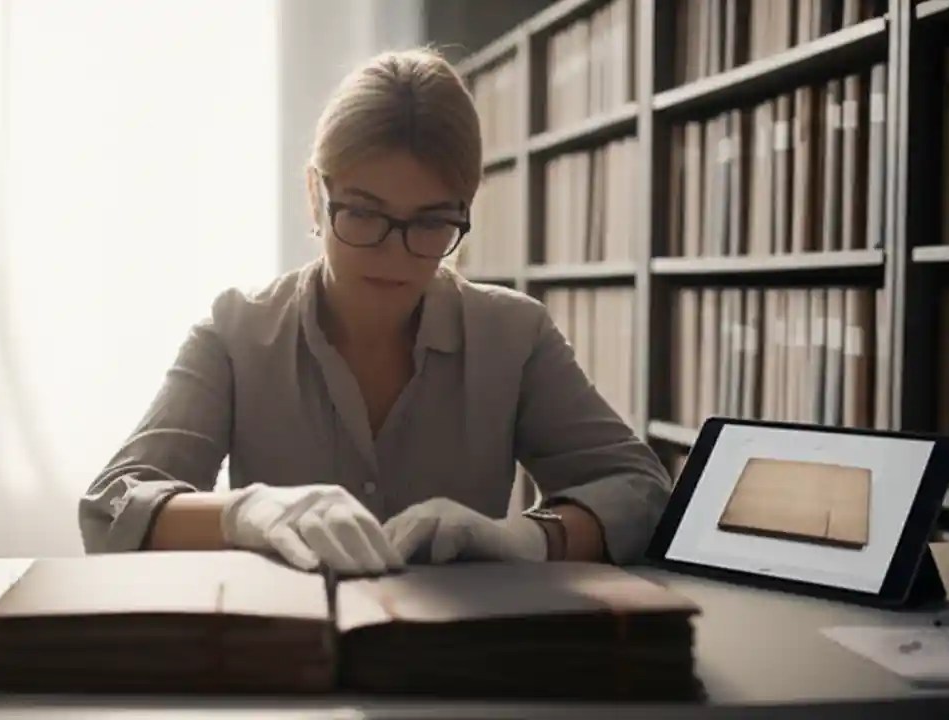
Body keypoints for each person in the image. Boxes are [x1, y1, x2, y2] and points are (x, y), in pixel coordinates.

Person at [79, 47, 672, 575]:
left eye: (431, 222)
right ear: (316, 196)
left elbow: (640, 489)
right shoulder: (237, 331)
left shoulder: (513, 335)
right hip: (286, 654)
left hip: (463, 656)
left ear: (464, 211)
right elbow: (110, 509)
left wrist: (529, 539)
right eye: (363, 213)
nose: (395, 254)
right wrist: (243, 513)